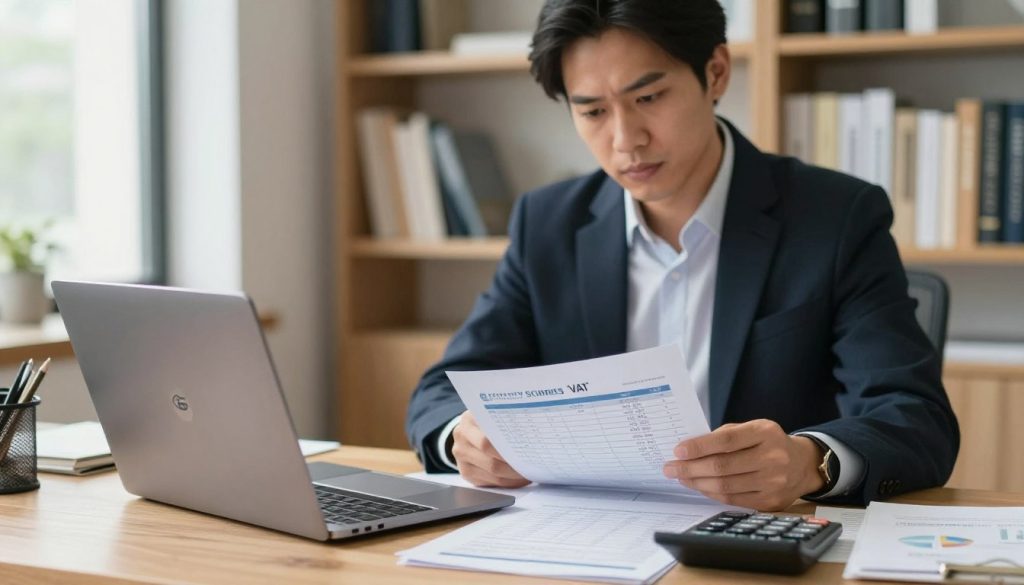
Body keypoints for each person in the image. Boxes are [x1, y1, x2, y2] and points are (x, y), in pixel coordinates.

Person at [405, 0, 959, 510]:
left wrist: (809, 461)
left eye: (648, 98)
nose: (626, 140)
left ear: (715, 72)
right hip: (587, 541)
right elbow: (442, 389)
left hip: (757, 546)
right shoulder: (548, 224)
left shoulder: (836, 218)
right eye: (593, 111)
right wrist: (462, 436)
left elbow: (915, 417)